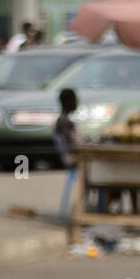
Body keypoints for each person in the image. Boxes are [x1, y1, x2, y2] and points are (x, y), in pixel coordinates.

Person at [54, 87, 80, 222]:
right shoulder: (64, 122)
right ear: (68, 102)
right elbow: (74, 145)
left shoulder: (64, 121)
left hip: (75, 157)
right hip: (74, 159)